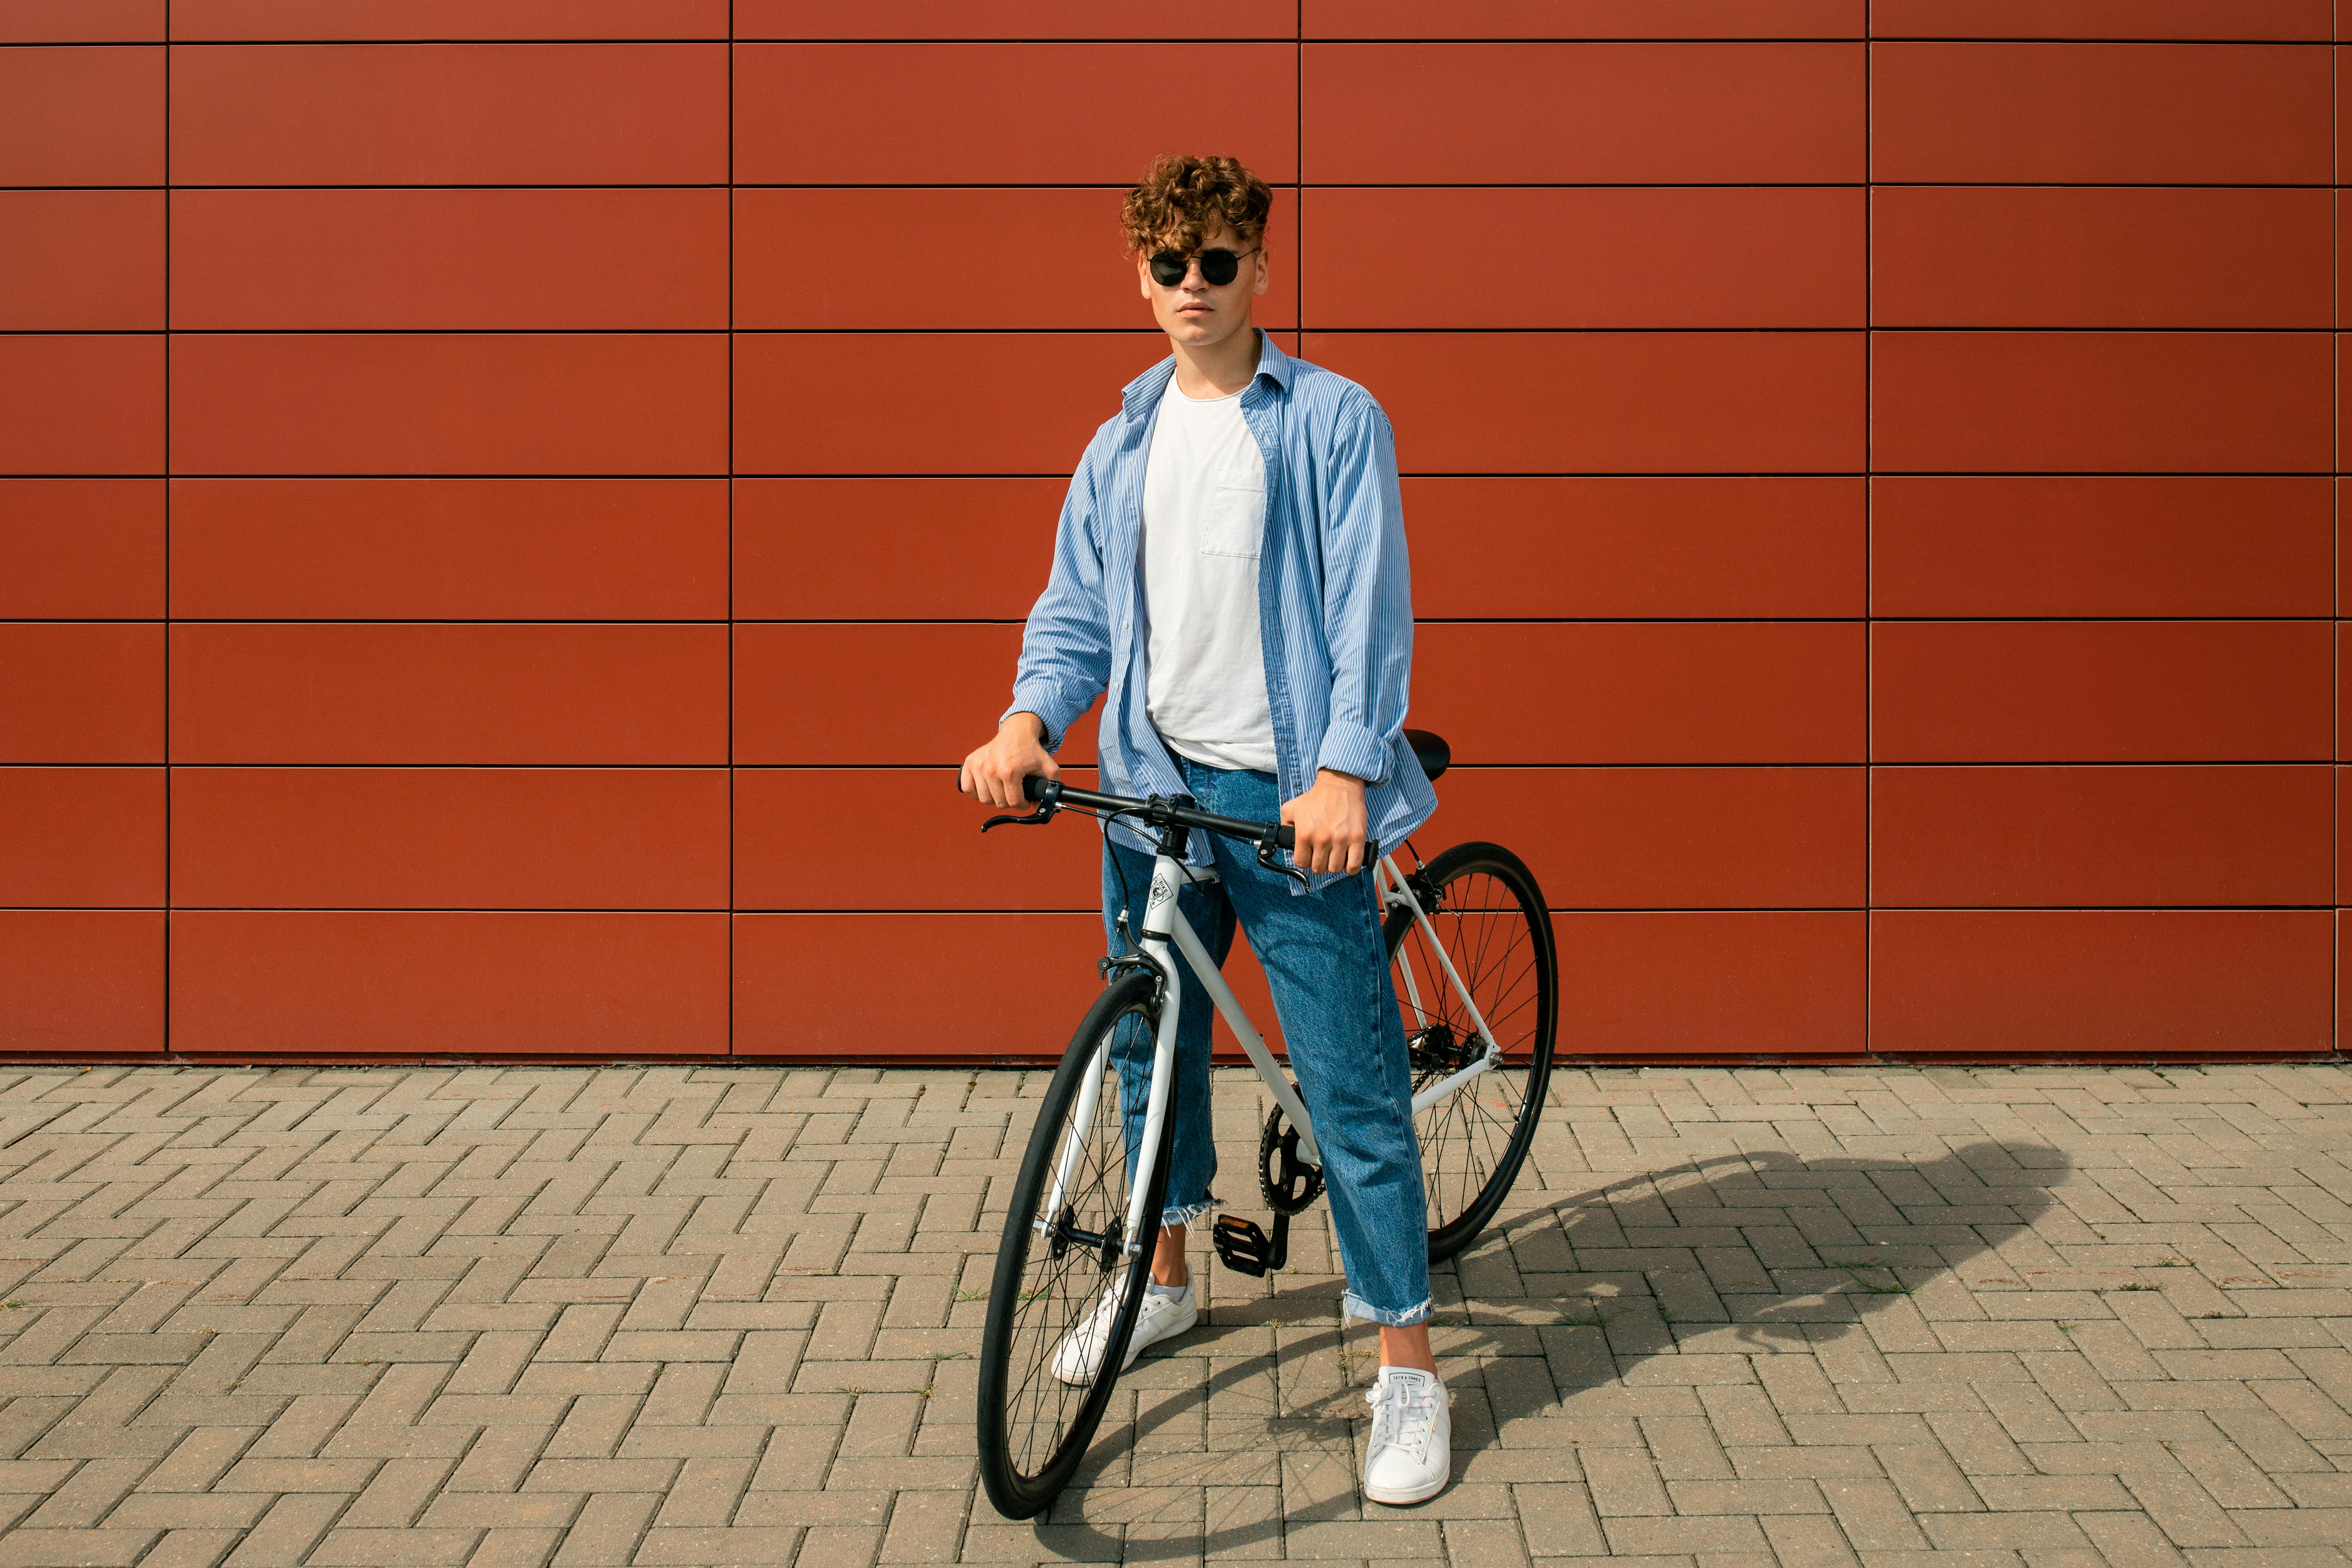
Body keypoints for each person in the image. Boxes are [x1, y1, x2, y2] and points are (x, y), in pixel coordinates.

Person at [957, 154, 1448, 1505]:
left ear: (1259, 272)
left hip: (1293, 809)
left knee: (1350, 1085)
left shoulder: (1332, 419)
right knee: (1149, 1060)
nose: (1192, 285)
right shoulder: (1122, 441)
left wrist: (1344, 773)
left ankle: (1408, 1365)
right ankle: (1160, 1281)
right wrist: (1025, 722)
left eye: (1216, 261)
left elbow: (1368, 615)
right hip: (1152, 793)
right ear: (1141, 276)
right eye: (1168, 264)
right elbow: (1074, 612)